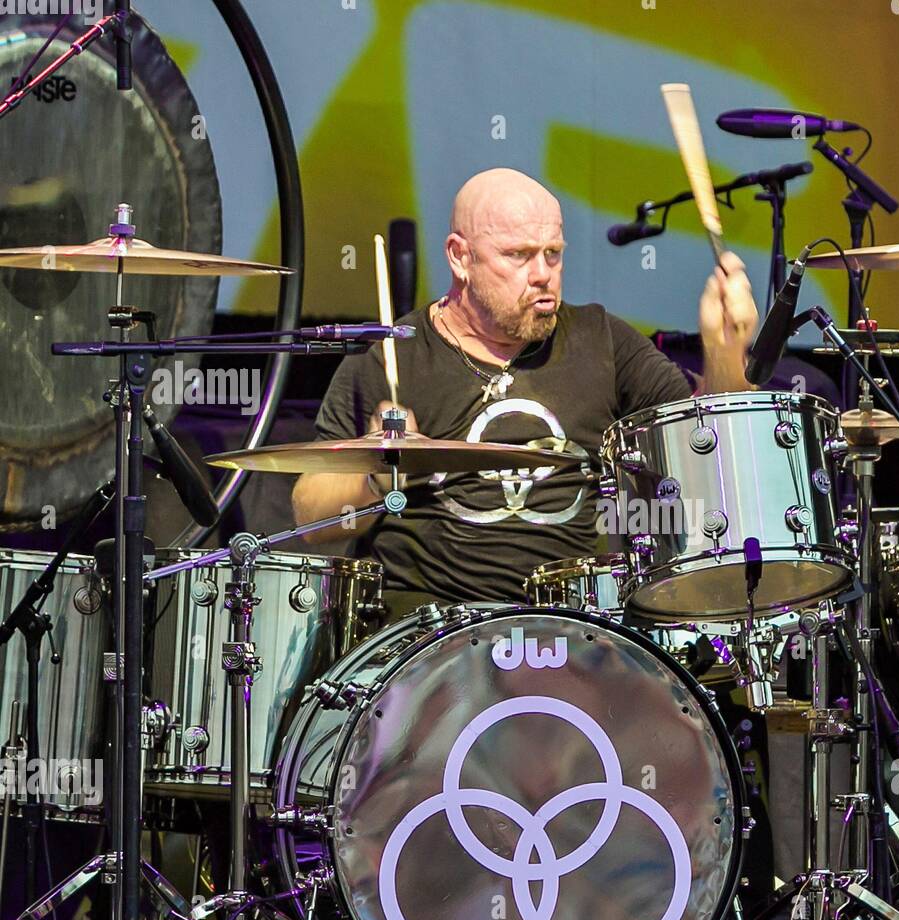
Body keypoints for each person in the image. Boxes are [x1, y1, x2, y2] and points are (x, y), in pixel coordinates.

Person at [293, 167, 758, 618]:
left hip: (568, 631)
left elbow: (708, 448)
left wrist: (726, 353)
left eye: (553, 253)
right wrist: (379, 474)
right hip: (427, 634)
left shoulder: (602, 341)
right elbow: (310, 517)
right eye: (518, 255)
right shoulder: (393, 356)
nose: (542, 274)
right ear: (460, 257)